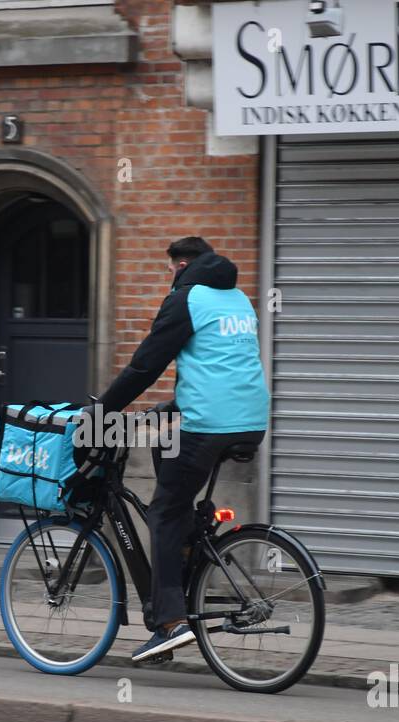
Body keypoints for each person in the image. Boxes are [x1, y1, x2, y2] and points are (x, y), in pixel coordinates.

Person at [98, 237, 269, 662]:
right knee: (164, 453)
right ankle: (195, 544)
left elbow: (145, 364)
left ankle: (170, 623)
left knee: (163, 512)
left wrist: (100, 412)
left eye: (172, 267)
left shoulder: (185, 298)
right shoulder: (236, 299)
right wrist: (173, 405)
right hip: (249, 421)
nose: (170, 276)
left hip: (209, 425)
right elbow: (222, 366)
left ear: (183, 265)